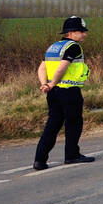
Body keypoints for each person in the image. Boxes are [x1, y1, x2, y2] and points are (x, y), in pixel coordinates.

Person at [33, 16, 96, 170]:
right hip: (69, 91)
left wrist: (45, 85)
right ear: (71, 32)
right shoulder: (73, 47)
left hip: (53, 93)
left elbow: (42, 68)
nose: (84, 34)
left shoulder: (53, 47)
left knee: (52, 125)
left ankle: (39, 160)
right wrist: (53, 83)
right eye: (81, 31)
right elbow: (63, 67)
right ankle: (72, 155)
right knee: (74, 123)